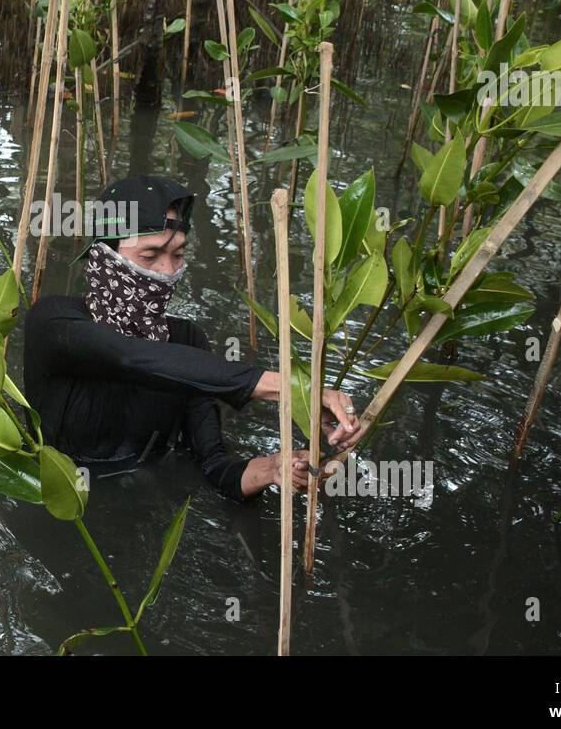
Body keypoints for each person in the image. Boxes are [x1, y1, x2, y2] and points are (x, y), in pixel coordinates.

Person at [23, 173, 360, 502]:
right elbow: (128, 356)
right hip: (49, 500)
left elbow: (214, 464)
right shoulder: (54, 322)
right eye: (149, 256)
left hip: (142, 508)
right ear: (104, 256)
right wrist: (293, 391)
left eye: (179, 255)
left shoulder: (188, 342)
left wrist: (274, 469)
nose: (168, 272)